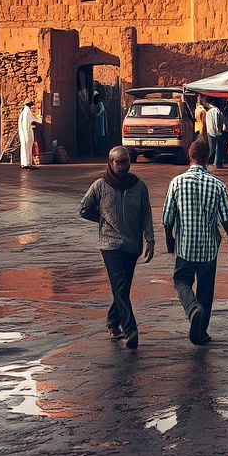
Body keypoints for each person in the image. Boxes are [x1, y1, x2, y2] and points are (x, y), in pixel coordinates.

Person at [162, 138, 228, 345]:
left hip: (185, 247)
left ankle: (192, 308)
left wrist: (169, 241)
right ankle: (200, 333)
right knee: (205, 289)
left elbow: (167, 218)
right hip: (208, 249)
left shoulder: (176, 182)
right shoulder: (218, 185)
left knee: (181, 281)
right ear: (207, 159)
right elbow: (227, 219)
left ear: (189, 157)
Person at [79, 146, 155, 350]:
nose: (122, 166)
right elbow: (84, 209)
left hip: (132, 244)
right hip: (109, 245)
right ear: (110, 163)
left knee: (123, 287)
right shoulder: (100, 186)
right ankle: (131, 329)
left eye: (125, 162)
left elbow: (146, 213)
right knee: (120, 285)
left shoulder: (139, 186)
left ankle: (113, 321)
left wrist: (150, 238)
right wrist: (103, 219)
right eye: (118, 162)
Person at [18, 100, 40, 168]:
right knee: (28, 147)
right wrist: (40, 118)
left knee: (25, 147)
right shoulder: (27, 112)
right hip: (27, 132)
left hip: (23, 133)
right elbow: (33, 120)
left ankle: (25, 163)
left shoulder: (23, 112)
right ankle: (27, 163)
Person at [206, 101, 227, 169]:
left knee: (212, 148)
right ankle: (217, 163)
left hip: (210, 131)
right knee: (218, 148)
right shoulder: (217, 111)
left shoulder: (209, 112)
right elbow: (216, 122)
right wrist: (218, 131)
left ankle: (207, 163)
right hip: (216, 132)